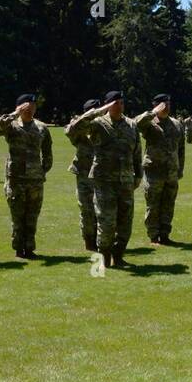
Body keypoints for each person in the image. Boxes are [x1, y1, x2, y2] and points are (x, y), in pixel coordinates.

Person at [66, 91, 142, 269]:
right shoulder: (98, 124)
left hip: (125, 182)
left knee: (125, 223)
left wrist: (138, 175)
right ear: (107, 105)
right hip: (104, 182)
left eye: (122, 103)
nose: (120, 106)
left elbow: (137, 152)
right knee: (107, 223)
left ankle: (119, 255)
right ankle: (105, 257)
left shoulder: (131, 125)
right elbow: (72, 130)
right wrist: (98, 111)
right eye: (116, 103)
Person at [0, 93, 53, 259]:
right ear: (20, 107)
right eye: (28, 106)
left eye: (34, 106)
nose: (31, 108)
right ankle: (19, 248)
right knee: (18, 217)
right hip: (16, 180)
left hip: (35, 180)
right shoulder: (11, 126)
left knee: (32, 216)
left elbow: (47, 152)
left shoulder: (41, 127)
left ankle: (30, 248)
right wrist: (14, 113)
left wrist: (42, 170)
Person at [136, 93, 186, 245]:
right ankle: (153, 236)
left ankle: (165, 235)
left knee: (168, 204)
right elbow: (136, 123)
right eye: (164, 104)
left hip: (171, 171)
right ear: (156, 105)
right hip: (154, 172)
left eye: (168, 104)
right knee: (153, 204)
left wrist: (180, 169)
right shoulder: (150, 123)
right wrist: (154, 112)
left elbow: (181, 149)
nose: (167, 107)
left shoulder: (177, 124)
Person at [68, 99, 101, 251]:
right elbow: (70, 131)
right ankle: (89, 241)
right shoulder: (77, 126)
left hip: (103, 173)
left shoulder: (103, 126)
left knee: (103, 209)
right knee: (87, 210)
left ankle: (103, 240)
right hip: (84, 173)